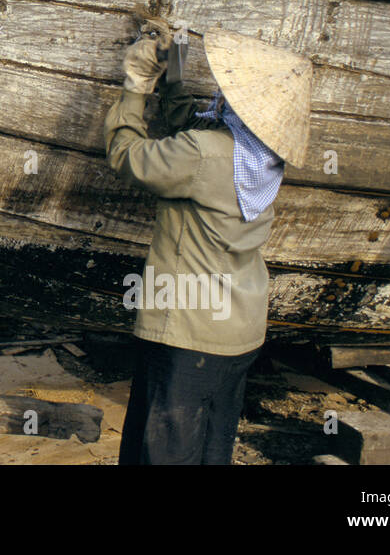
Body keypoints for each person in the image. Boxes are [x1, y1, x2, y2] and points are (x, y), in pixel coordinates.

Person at [104, 26, 312, 464]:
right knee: (209, 449)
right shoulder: (260, 156)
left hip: (188, 334)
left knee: (162, 452)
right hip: (237, 332)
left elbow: (127, 156)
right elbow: (194, 134)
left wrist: (137, 85)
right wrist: (175, 71)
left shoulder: (205, 154)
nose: (221, 93)